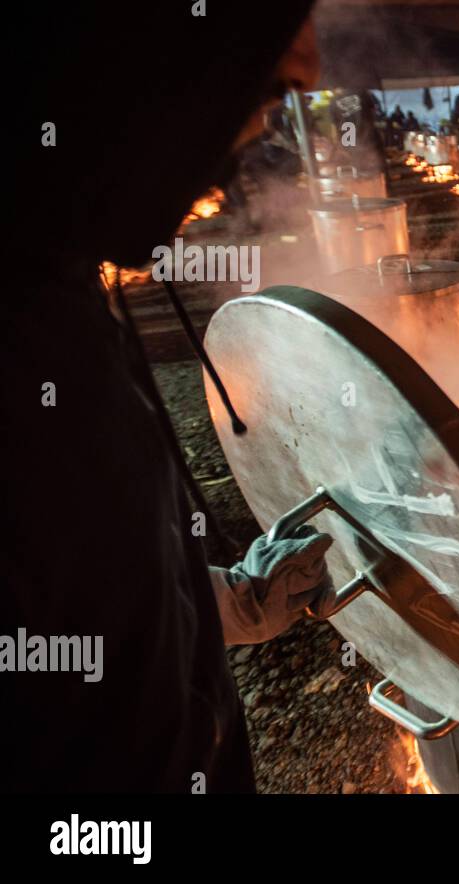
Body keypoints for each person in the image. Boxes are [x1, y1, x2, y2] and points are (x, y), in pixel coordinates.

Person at [9, 0, 330, 792]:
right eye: (264, 37)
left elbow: (85, 607)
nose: (304, 70)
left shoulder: (66, 282)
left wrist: (229, 601)